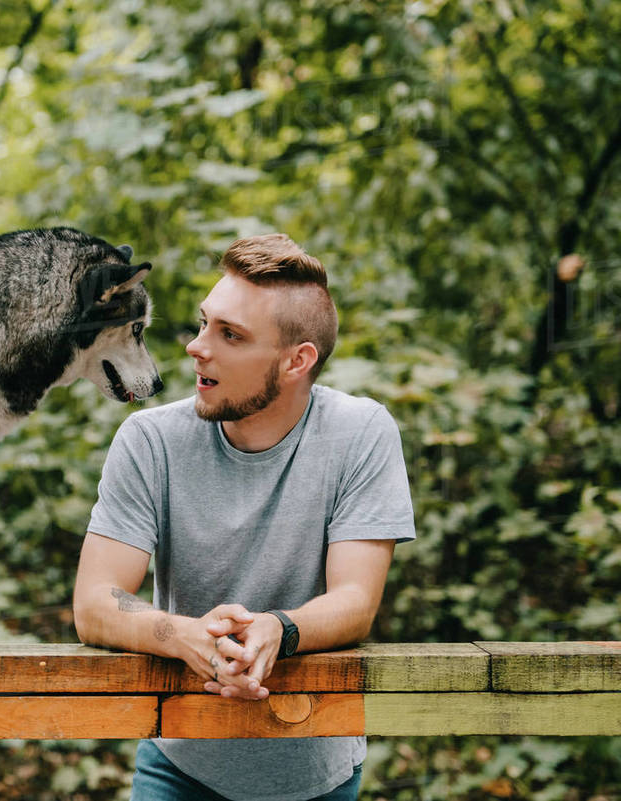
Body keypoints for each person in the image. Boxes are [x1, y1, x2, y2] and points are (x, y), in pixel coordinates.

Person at [73, 234, 415, 801]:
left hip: (319, 771)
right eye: (204, 323)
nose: (196, 347)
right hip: (178, 764)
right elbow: (93, 602)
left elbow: (356, 600)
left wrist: (277, 630)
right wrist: (186, 636)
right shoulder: (150, 439)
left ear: (296, 360)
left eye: (230, 335)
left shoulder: (361, 432)